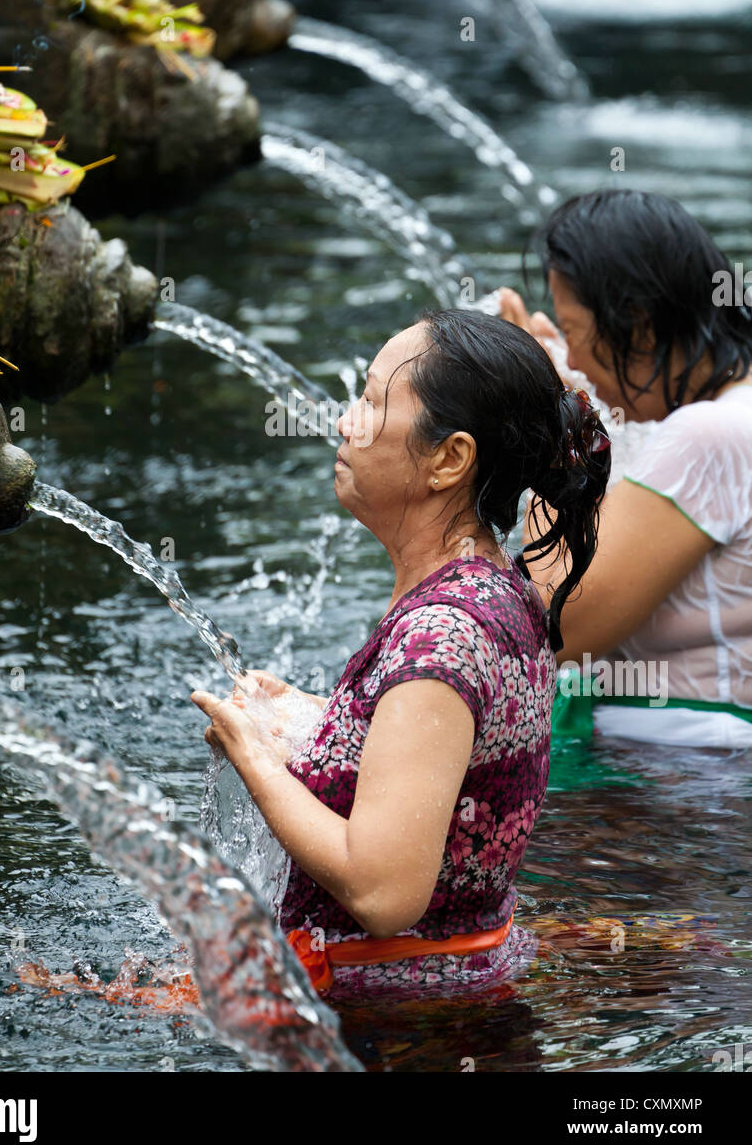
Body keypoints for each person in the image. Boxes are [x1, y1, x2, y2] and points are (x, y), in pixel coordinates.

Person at [192, 310, 609, 996]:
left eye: (372, 401)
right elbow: (440, 756)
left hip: (397, 1023)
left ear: (450, 460)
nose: (345, 422)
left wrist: (257, 758)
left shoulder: (441, 634)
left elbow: (385, 891)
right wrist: (308, 720)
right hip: (449, 994)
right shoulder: (493, 588)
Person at [498, 189, 752, 747]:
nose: (577, 360)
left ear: (638, 328)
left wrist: (559, 419)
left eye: (575, 334)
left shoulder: (707, 436)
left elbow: (548, 627)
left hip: (674, 788)